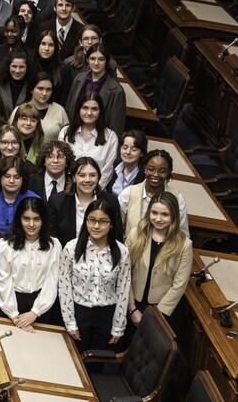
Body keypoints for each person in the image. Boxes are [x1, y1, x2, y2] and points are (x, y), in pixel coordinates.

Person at [58, 198, 131, 353]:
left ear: (111, 224)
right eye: (92, 220)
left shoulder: (122, 251)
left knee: (99, 361)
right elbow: (64, 287)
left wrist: (118, 325)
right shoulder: (71, 248)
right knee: (76, 360)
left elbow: (123, 289)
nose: (96, 226)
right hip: (79, 312)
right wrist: (69, 322)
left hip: (106, 314)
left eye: (103, 221)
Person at [126, 192, 193, 327]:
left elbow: (179, 284)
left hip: (162, 311)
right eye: (154, 213)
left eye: (165, 214)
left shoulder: (185, 245)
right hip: (132, 305)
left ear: (174, 216)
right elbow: (125, 272)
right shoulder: (135, 234)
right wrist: (132, 308)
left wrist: (157, 315)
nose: (158, 219)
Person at [0, 197, 62, 329]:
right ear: (19, 219)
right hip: (9, 303)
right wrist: (14, 315)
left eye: (36, 219)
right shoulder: (5, 245)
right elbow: (2, 281)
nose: (31, 224)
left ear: (43, 220)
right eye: (26, 219)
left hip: (40, 308)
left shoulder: (54, 246)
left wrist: (35, 312)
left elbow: (52, 282)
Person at [48, 156, 122, 246]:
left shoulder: (111, 201)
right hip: (66, 256)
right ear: (74, 178)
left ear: (98, 177)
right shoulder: (57, 201)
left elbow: (117, 236)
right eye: (82, 175)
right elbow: (52, 239)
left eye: (92, 175)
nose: (87, 180)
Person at [118, 149, 190, 237]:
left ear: (168, 173)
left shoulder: (177, 197)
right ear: (145, 169)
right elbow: (117, 228)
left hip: (165, 249)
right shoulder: (128, 194)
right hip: (131, 248)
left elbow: (183, 234)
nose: (156, 174)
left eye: (162, 171)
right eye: (151, 169)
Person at [66, 42, 127, 135]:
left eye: (101, 59)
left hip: (100, 140)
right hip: (74, 134)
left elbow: (116, 126)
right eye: (92, 58)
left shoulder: (116, 91)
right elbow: (69, 109)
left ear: (107, 61)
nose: (96, 63)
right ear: (87, 60)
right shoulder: (78, 79)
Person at [60, 91, 119, 186]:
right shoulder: (65, 132)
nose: (89, 113)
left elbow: (107, 171)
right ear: (78, 109)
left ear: (100, 112)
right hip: (67, 189)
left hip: (96, 192)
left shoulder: (111, 137)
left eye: (94, 109)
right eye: (85, 108)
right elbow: (61, 165)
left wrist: (93, 191)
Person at [0, 156, 41, 236]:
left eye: (16, 177)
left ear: (23, 179)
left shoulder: (34, 199)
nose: (11, 181)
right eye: (7, 176)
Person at [29, 140, 75, 204]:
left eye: (60, 157)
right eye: (50, 156)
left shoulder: (74, 183)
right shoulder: (31, 182)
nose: (55, 161)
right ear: (44, 161)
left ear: (67, 162)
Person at [108, 130, 148, 195]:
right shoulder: (115, 166)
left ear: (141, 153)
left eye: (134, 149)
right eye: (125, 147)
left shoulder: (144, 175)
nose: (128, 152)